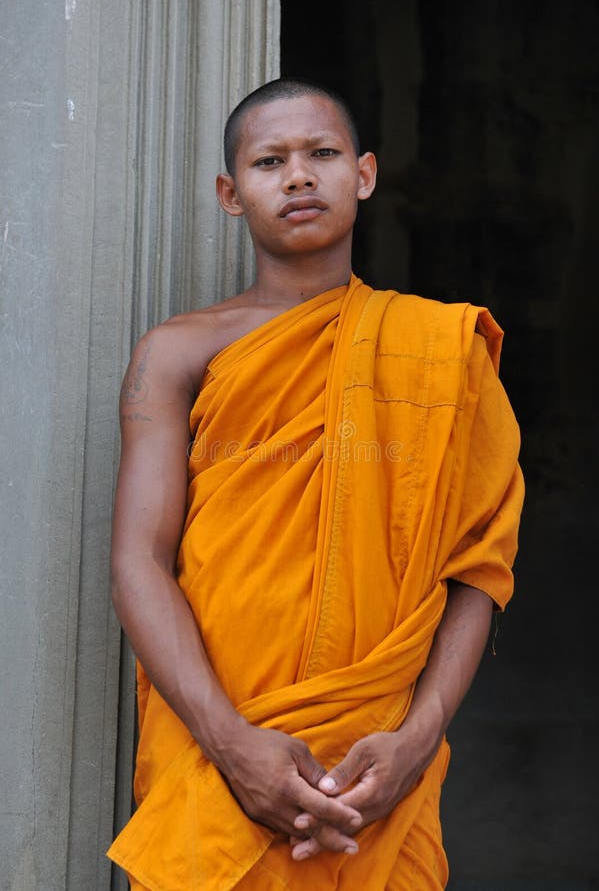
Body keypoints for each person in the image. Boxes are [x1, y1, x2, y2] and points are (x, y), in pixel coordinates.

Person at [107, 78, 524, 890]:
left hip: (379, 761)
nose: (298, 176)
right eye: (270, 161)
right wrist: (231, 744)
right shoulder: (177, 353)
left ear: (363, 174)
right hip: (217, 745)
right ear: (231, 193)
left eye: (321, 154)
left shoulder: (442, 348)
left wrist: (416, 738)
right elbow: (138, 563)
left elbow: (478, 570)